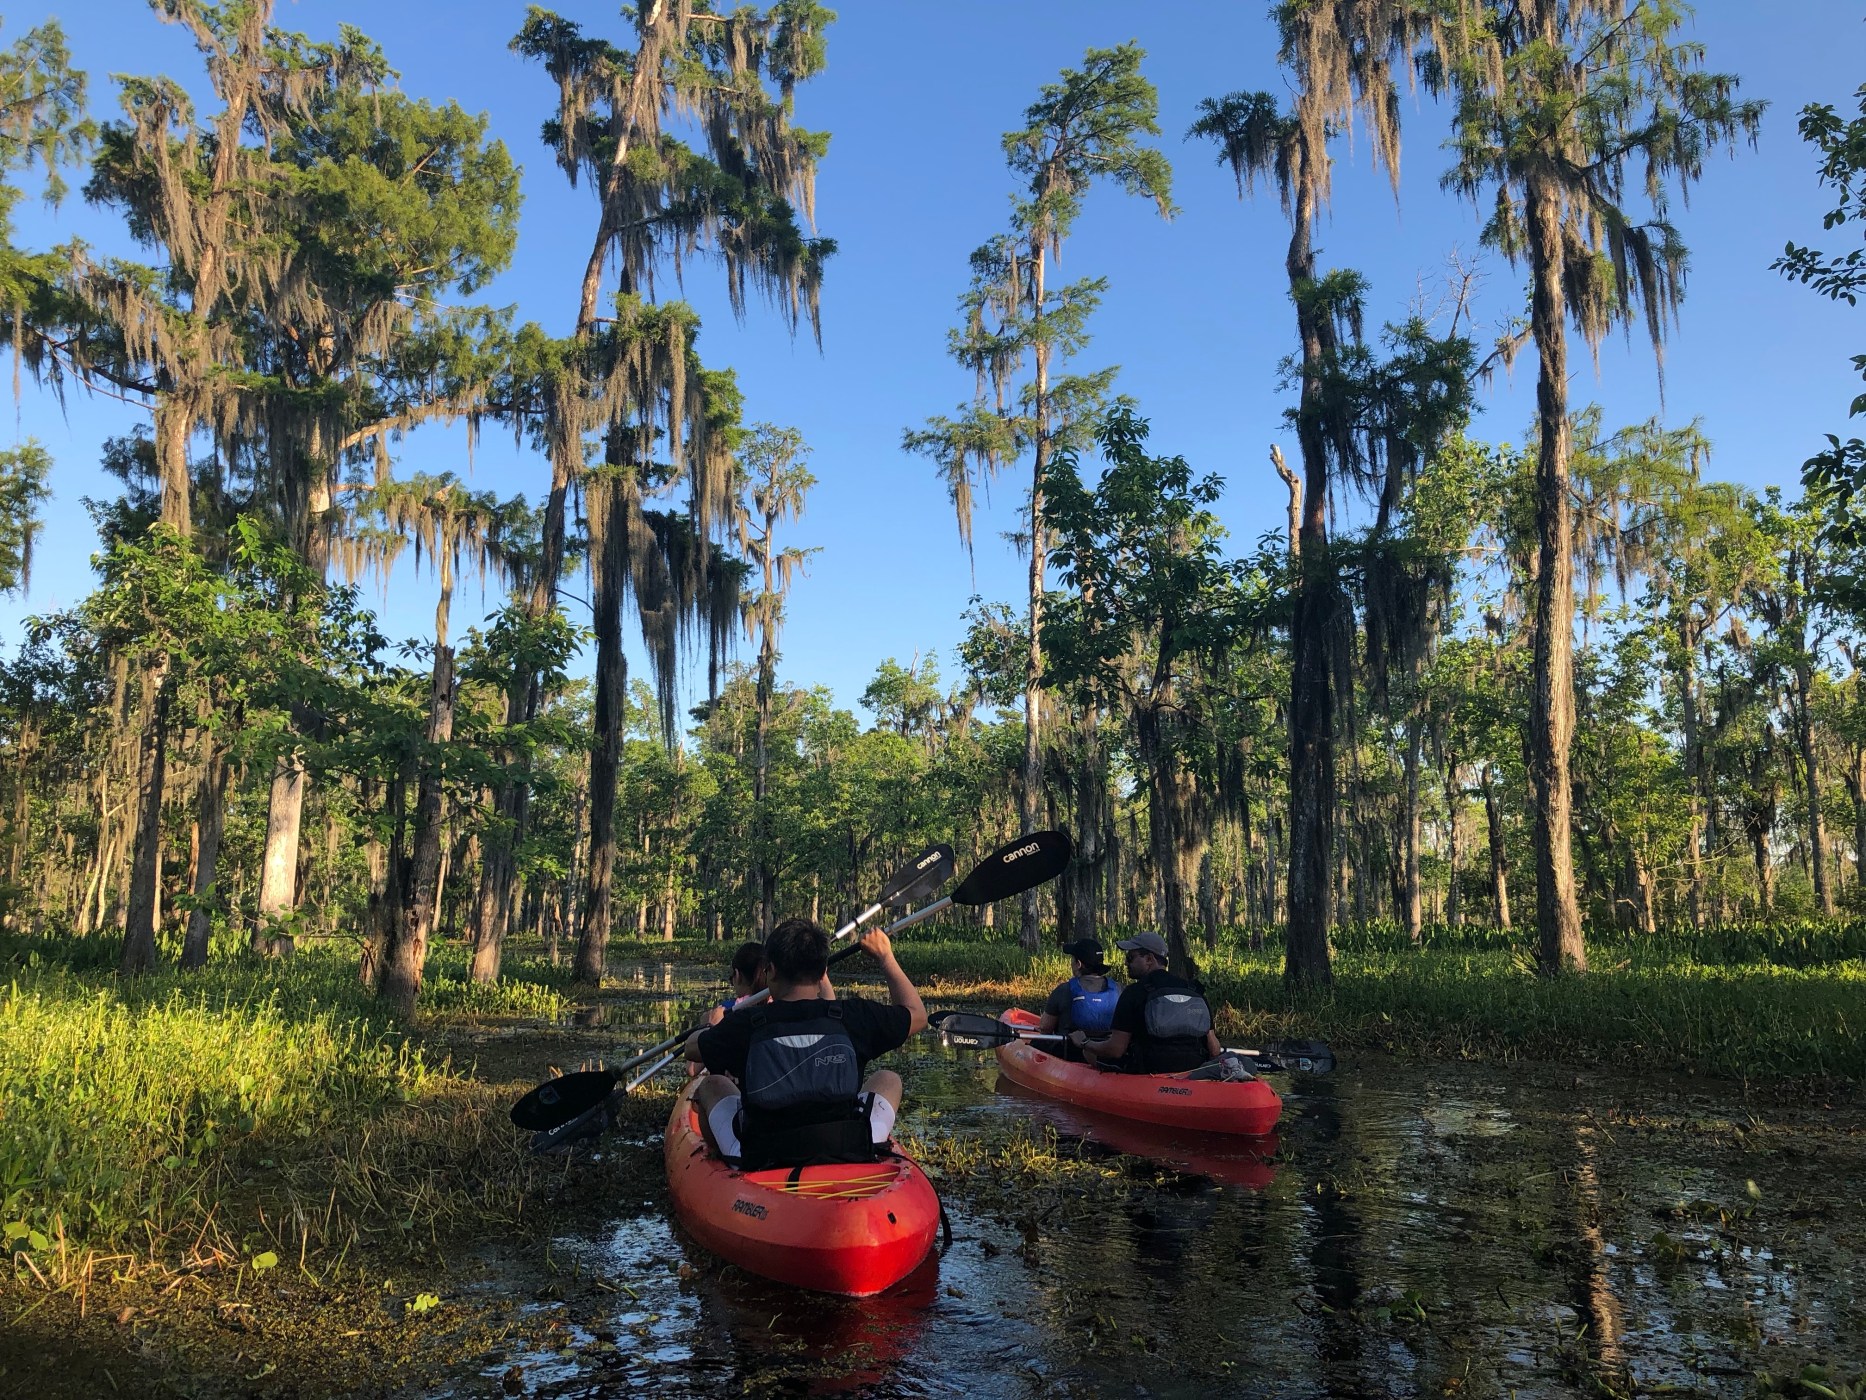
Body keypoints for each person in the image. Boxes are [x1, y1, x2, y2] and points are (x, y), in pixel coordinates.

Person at [684, 917, 927, 1170]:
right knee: (889, 1079)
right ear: (823, 973)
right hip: (843, 1146)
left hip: (764, 1154)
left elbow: (692, 1049)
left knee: (712, 1084)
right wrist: (885, 957)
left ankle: (726, 1165)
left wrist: (713, 1026)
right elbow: (918, 1015)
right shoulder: (853, 1016)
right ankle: (869, 1147)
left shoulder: (747, 1023)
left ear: (772, 971)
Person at [1072, 931, 1222, 1074]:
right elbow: (1214, 1049)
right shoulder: (1193, 990)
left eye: (1130, 957)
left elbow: (1116, 1050)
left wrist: (1085, 1043)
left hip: (1147, 1068)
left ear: (1149, 959)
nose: (1126, 963)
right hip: (1193, 1065)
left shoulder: (1134, 992)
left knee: (1089, 1053)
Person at [1036, 938, 1121, 1059]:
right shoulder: (1119, 989)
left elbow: (1045, 1027)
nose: (1071, 963)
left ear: (1079, 964)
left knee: (1036, 1044)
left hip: (1070, 1053)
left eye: (1072, 960)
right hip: (1104, 1053)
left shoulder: (1064, 990)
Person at [704, 940, 770, 1027]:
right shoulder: (779, 1005)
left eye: (731, 978)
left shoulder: (728, 1010)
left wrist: (709, 1024)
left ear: (738, 975)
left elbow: (693, 1040)